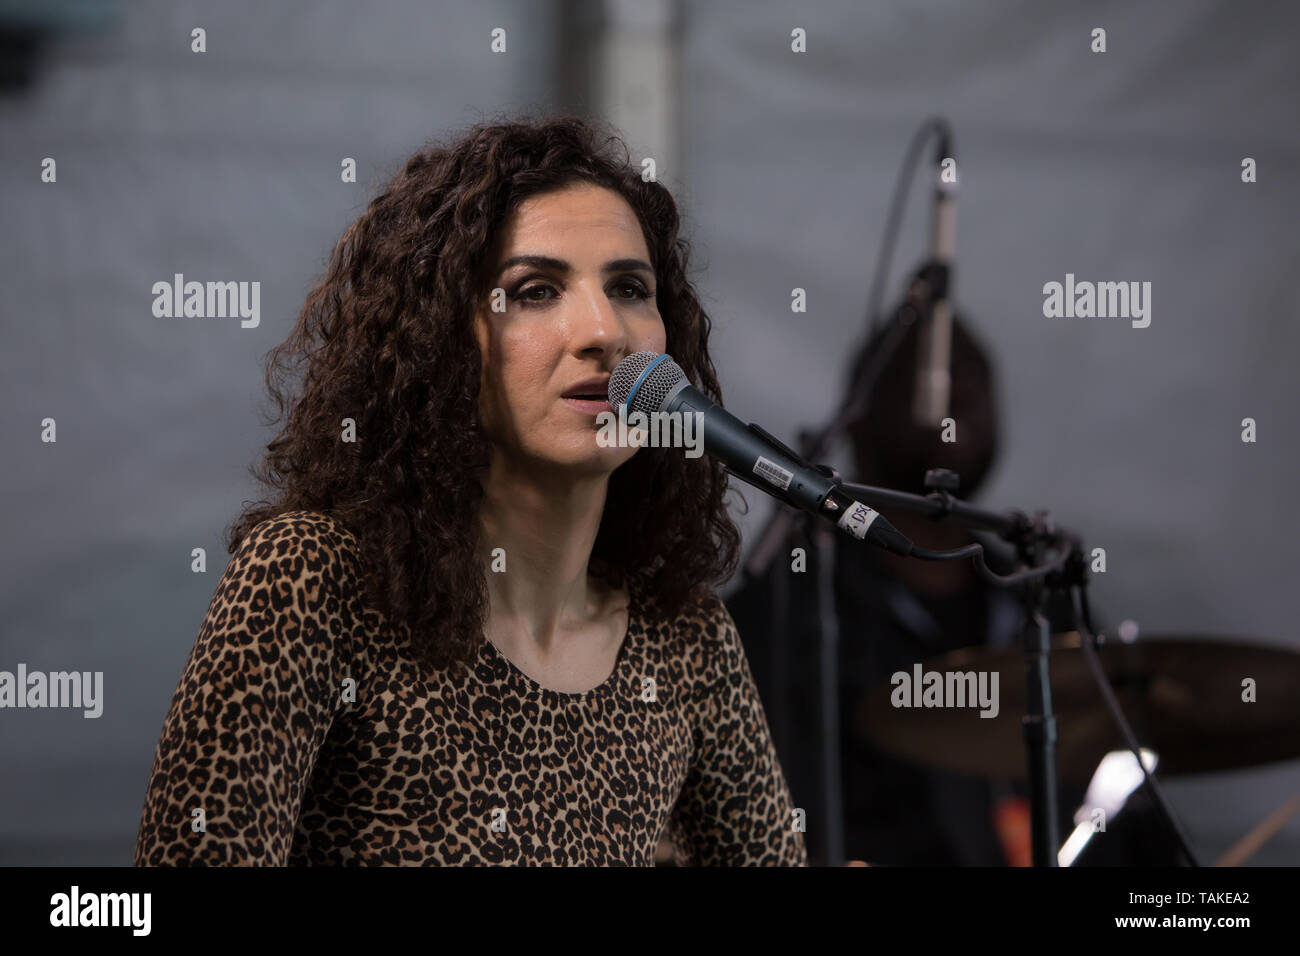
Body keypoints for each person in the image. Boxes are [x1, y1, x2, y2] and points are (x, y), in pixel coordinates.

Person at [133, 115, 806, 867]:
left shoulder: (685, 641)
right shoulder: (310, 579)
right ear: (439, 342)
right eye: (535, 291)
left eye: (629, 288)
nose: (602, 331)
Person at [727, 312, 1078, 866]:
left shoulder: (1043, 605)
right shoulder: (784, 616)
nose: (957, 389)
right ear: (857, 416)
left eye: (971, 371)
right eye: (930, 373)